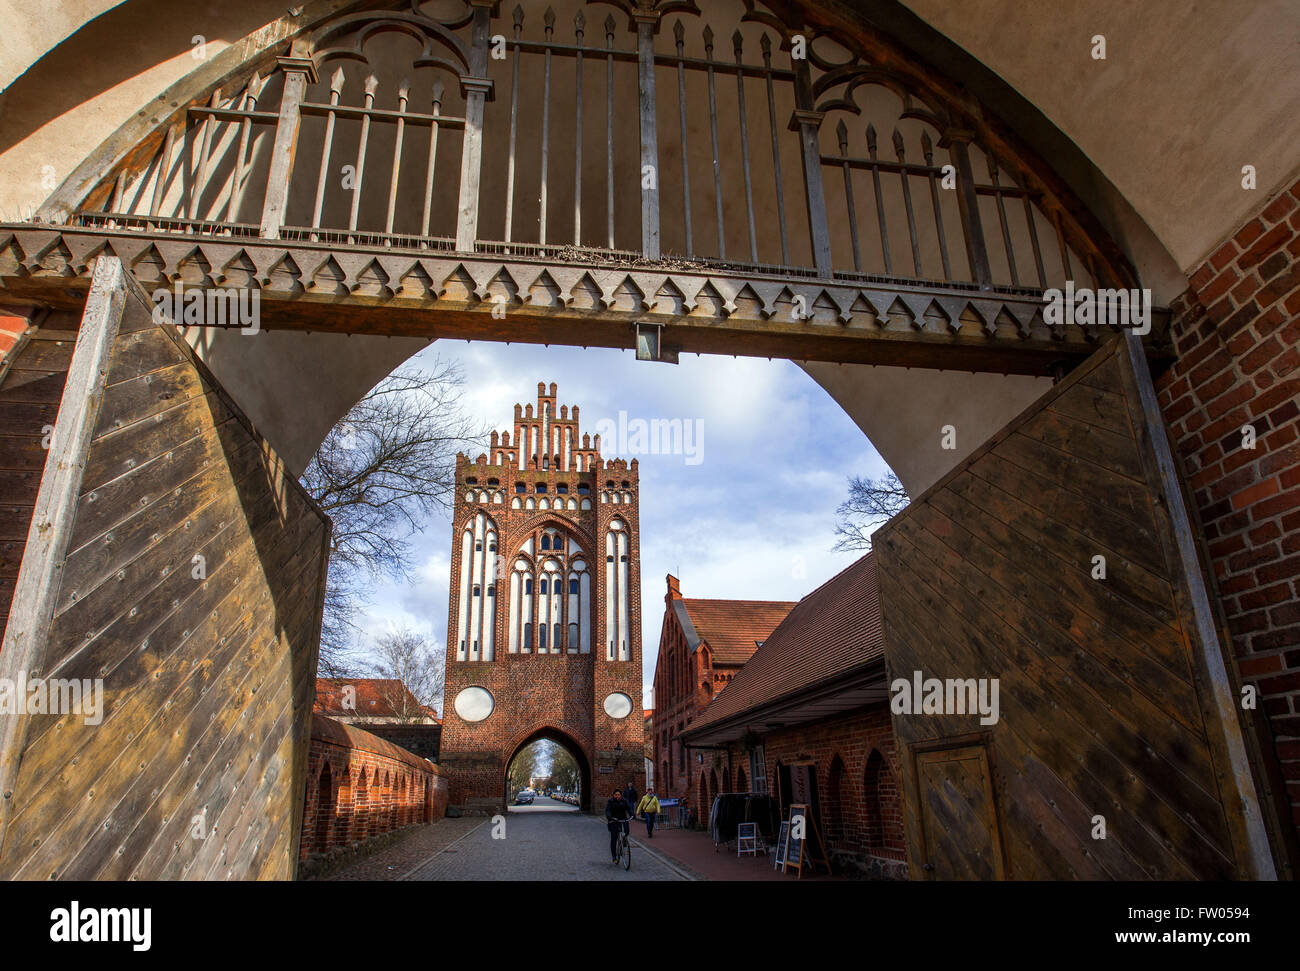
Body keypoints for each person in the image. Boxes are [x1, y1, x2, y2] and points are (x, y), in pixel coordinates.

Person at [605, 789, 632, 863]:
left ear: (621, 795)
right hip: (613, 820)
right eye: (616, 795)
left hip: (623, 819)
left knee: (626, 831)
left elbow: (629, 808)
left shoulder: (624, 801)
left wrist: (632, 814)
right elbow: (608, 810)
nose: (617, 796)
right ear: (613, 795)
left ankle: (624, 841)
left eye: (619, 794)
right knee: (614, 837)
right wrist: (610, 817)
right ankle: (614, 856)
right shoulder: (610, 801)